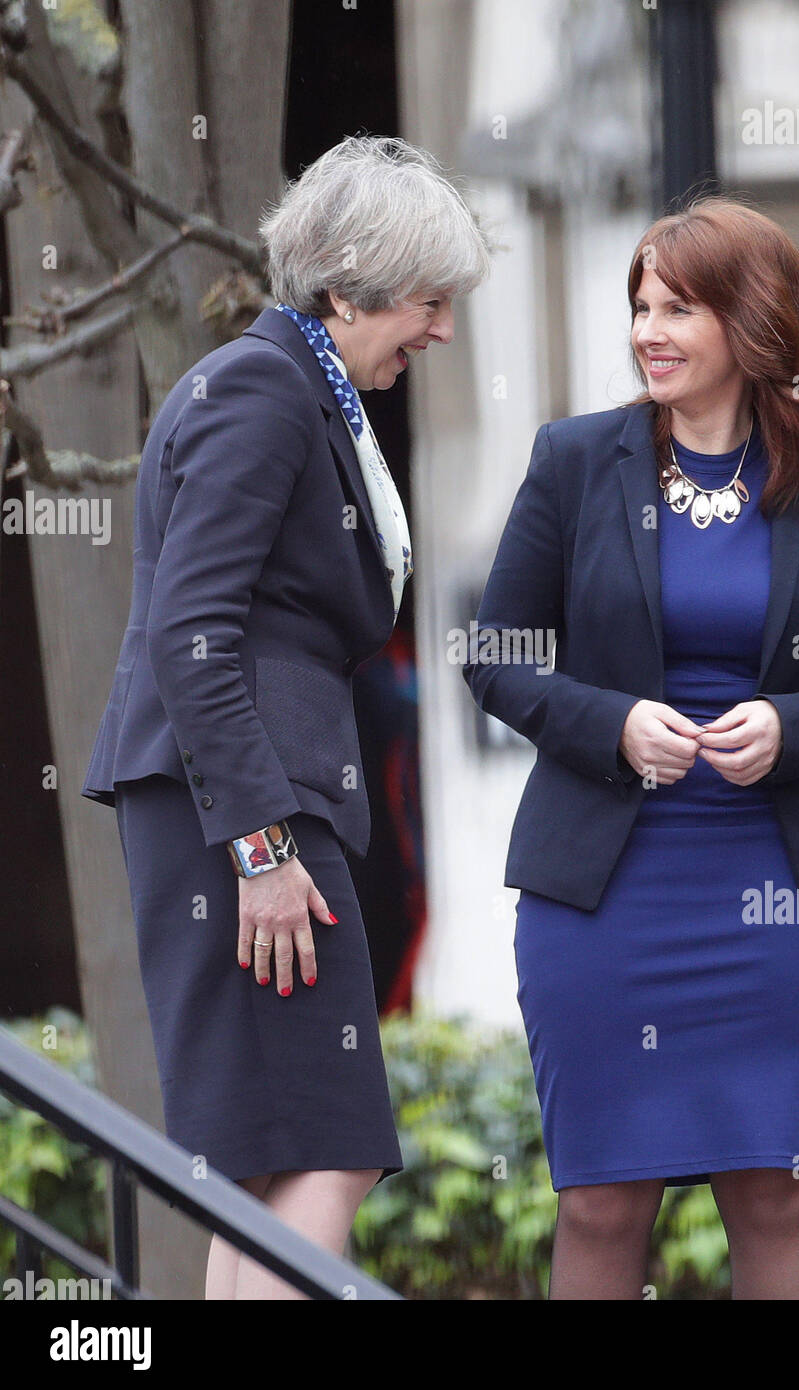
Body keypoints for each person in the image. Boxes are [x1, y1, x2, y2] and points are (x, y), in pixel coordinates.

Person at [462, 195, 799, 1300]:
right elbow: (494, 653)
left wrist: (790, 726)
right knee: (603, 1196)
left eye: (676, 308)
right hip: (602, 896)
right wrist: (610, 722)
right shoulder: (573, 463)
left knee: (772, 1190)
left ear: (751, 325)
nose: (646, 331)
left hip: (769, 889)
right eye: (639, 306)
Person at [82, 135, 493, 1299]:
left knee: (283, 1157)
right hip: (245, 815)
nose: (442, 331)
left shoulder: (292, 388)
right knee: (330, 1142)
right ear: (350, 283)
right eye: (429, 301)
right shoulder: (265, 387)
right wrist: (261, 845)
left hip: (248, 803)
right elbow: (191, 631)